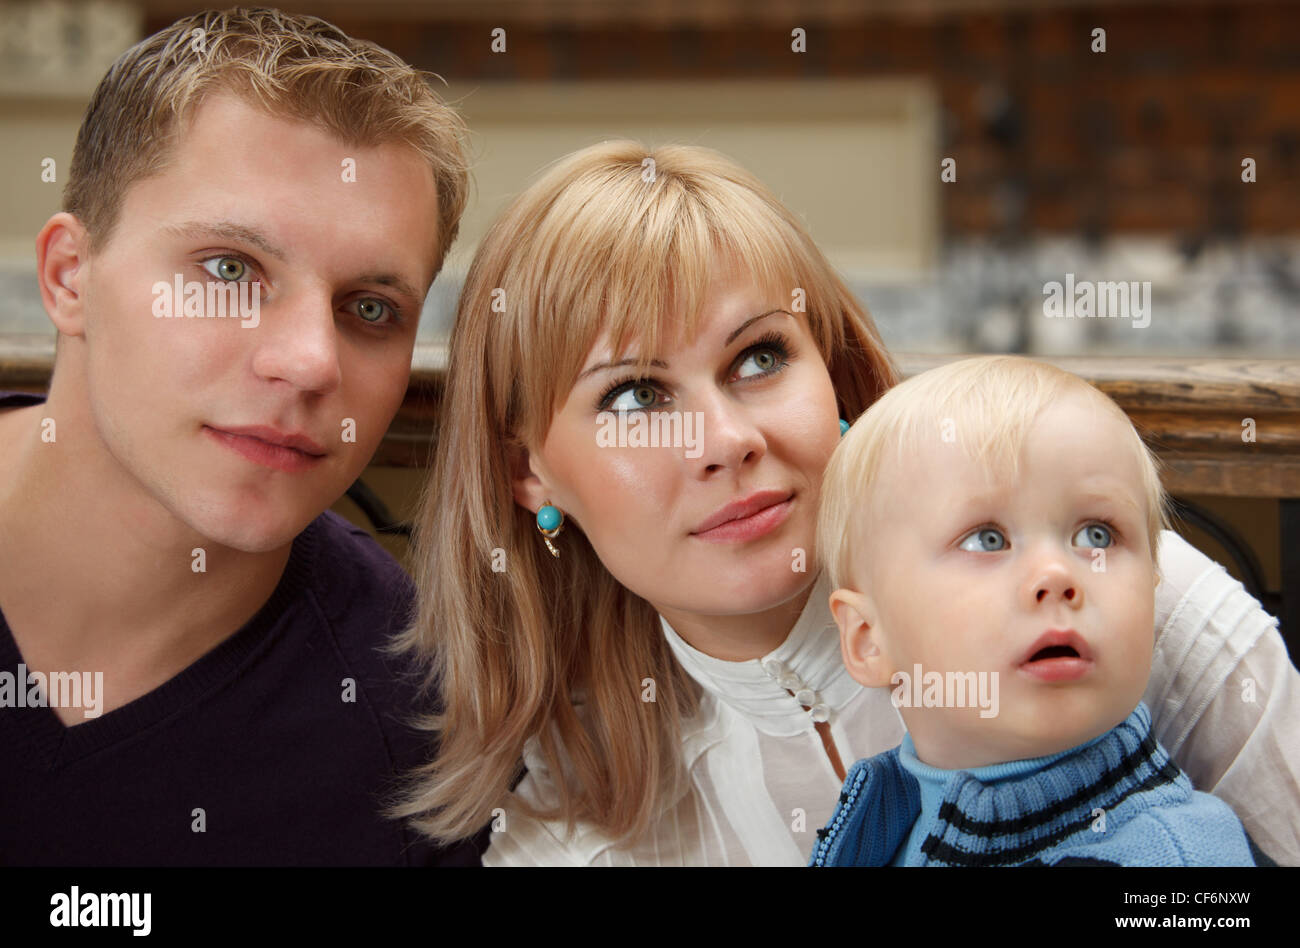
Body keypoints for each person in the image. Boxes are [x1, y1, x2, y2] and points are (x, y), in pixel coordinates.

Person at [395, 139, 1300, 866]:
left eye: (759, 357)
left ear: (835, 376)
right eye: (636, 396)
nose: (727, 440)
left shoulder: (1099, 591)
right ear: (531, 475)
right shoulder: (576, 805)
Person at [0, 8, 484, 865]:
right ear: (70, 277)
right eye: (229, 270)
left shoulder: (421, 747)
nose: (309, 363)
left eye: (370, 309)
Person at [809, 355, 1256, 866]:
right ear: (868, 638)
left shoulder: (1176, 861)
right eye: (988, 539)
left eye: (1097, 535)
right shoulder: (882, 817)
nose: (1056, 576)